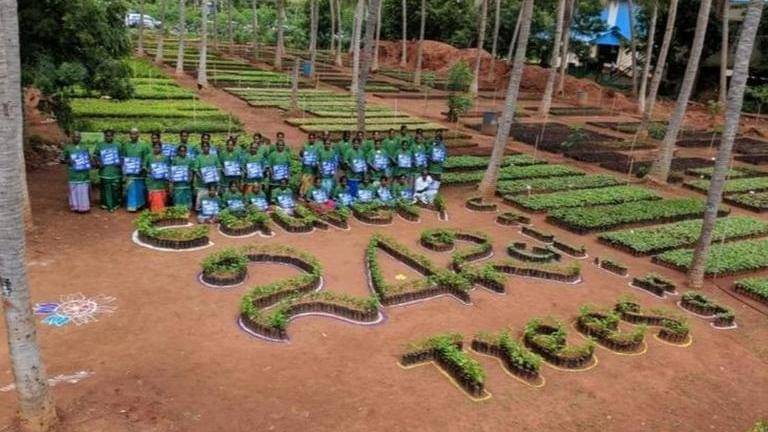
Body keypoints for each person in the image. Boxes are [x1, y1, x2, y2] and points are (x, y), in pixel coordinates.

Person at [61, 131, 92, 213]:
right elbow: (62, 159)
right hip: (73, 173)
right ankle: (75, 206)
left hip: (83, 174)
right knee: (74, 190)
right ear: (72, 137)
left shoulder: (85, 147)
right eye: (75, 137)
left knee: (83, 189)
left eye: (78, 137)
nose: (76, 138)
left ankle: (84, 207)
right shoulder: (68, 148)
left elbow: (88, 158)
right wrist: (68, 161)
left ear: (80, 138)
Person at [94, 129, 123, 212]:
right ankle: (105, 204)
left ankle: (115, 204)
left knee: (115, 188)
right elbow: (95, 155)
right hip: (105, 170)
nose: (108, 137)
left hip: (115, 170)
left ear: (113, 136)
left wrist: (120, 162)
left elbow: (122, 156)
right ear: (104, 136)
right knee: (105, 188)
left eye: (110, 135)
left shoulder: (118, 145)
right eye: (107, 135)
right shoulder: (100, 145)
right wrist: (99, 163)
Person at [194, 135, 222, 211]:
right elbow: (196, 170)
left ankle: (212, 210)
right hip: (202, 183)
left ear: (209, 148)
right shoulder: (198, 157)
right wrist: (201, 177)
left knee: (213, 200)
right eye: (204, 147)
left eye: (207, 147)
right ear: (202, 148)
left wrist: (217, 178)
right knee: (201, 199)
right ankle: (200, 210)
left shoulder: (214, 157)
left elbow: (218, 168)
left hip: (213, 183)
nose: (206, 148)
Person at [145, 137, 170, 212]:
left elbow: (168, 168)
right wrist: (149, 171)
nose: (157, 149)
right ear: (153, 148)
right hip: (152, 181)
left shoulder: (165, 157)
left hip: (162, 182)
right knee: (153, 196)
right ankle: (154, 211)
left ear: (161, 148)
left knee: (161, 196)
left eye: (158, 148)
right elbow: (144, 167)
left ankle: (161, 211)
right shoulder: (148, 156)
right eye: (155, 148)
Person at [170, 144, 194, 209]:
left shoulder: (190, 160)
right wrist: (172, 181)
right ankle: (178, 211)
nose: (182, 152)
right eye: (181, 151)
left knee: (187, 199)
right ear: (178, 152)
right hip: (177, 184)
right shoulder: (175, 160)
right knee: (178, 198)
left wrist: (190, 178)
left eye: (184, 151)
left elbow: (191, 170)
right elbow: (172, 171)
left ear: (186, 151)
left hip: (187, 183)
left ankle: (187, 211)